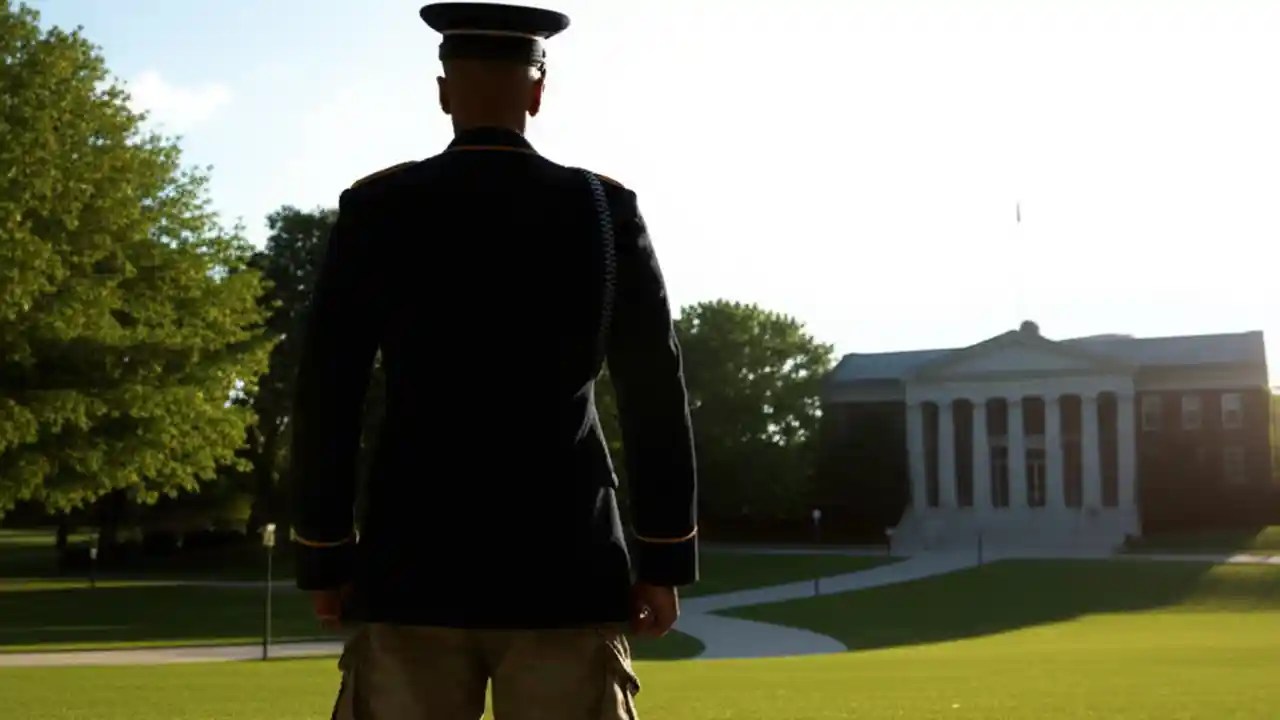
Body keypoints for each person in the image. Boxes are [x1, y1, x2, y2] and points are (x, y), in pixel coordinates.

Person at [287, 3, 698, 718]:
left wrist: (324, 551)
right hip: (564, 564)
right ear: (538, 92)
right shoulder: (603, 209)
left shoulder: (377, 208)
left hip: (411, 562)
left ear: (443, 89)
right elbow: (653, 393)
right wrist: (663, 559)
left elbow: (330, 391)